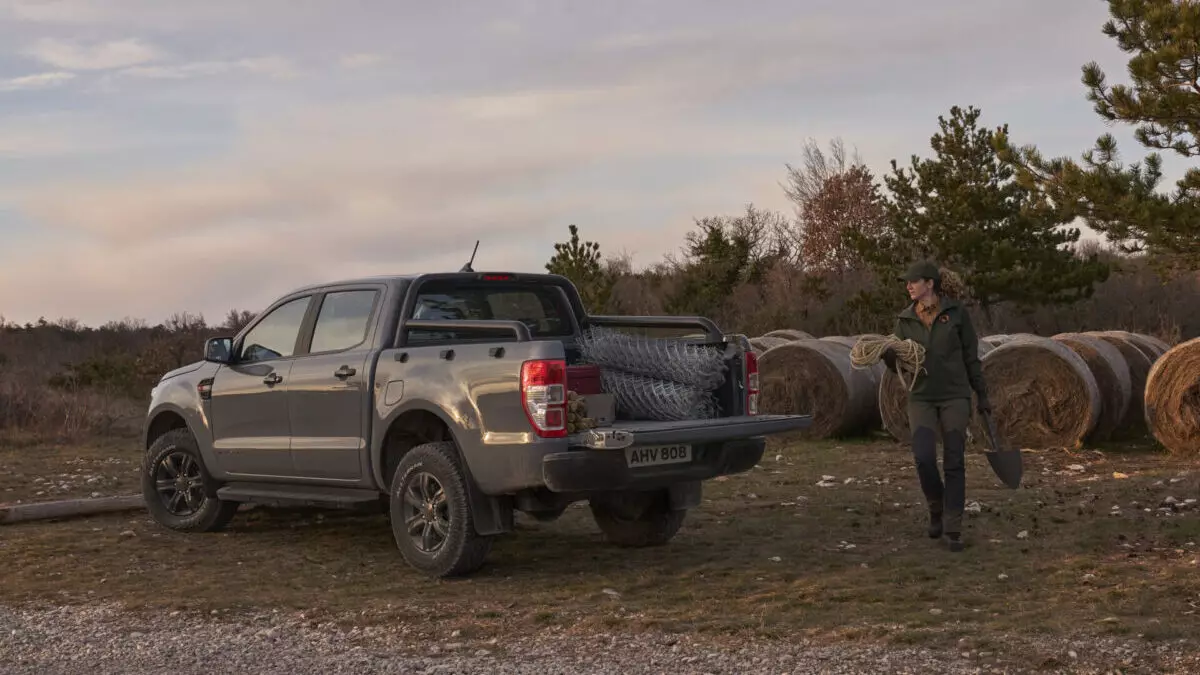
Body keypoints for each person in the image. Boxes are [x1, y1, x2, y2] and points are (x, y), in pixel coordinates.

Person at [881, 260, 990, 553]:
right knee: (924, 457)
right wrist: (890, 357)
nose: (908, 285)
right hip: (921, 397)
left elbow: (971, 357)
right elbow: (898, 366)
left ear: (930, 283)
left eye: (913, 280)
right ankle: (936, 508)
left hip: (955, 395)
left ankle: (953, 527)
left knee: (955, 459)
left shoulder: (956, 314)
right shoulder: (904, 320)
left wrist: (982, 394)